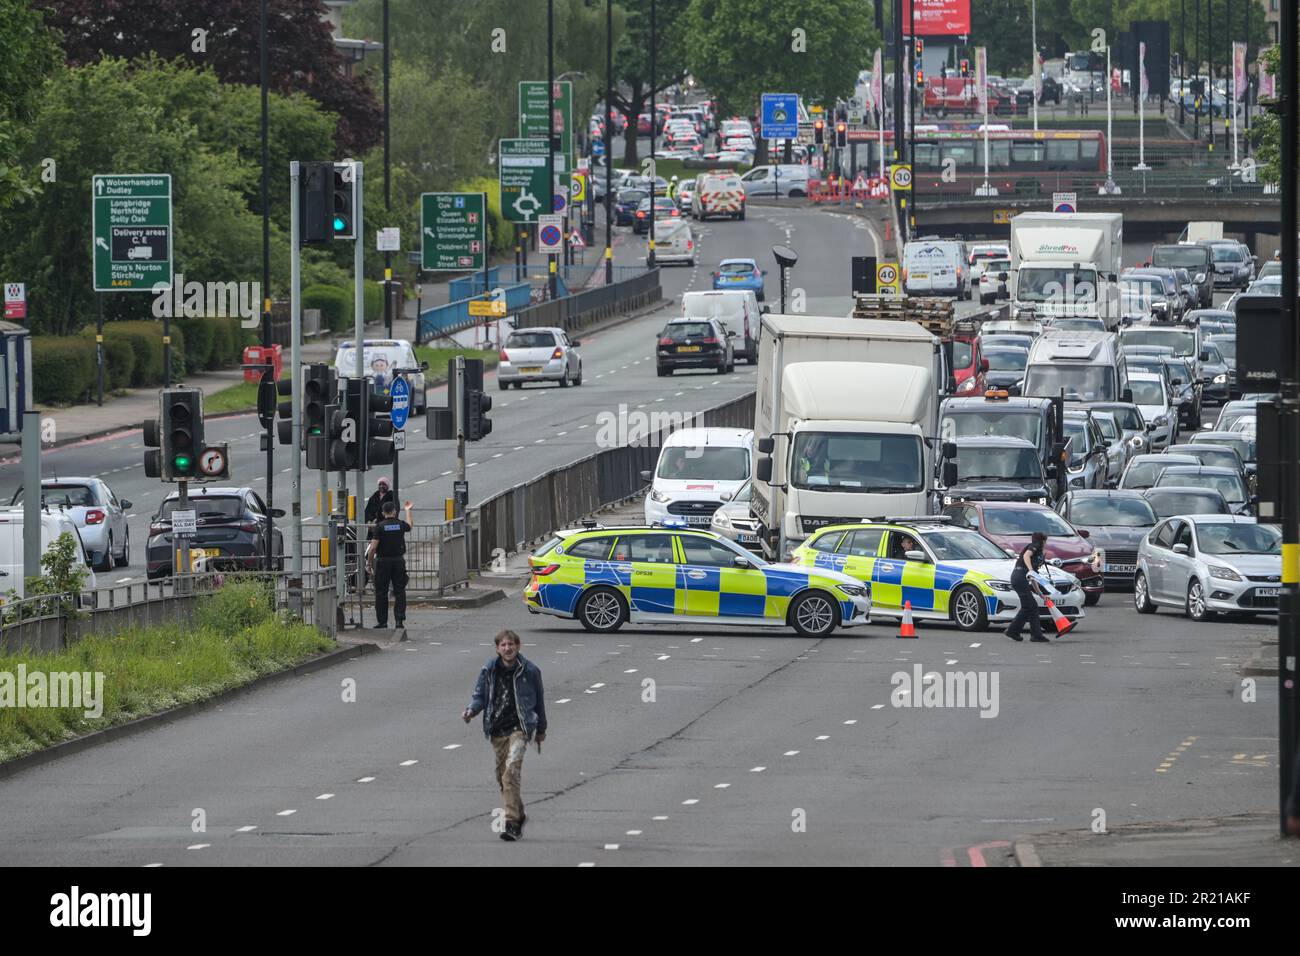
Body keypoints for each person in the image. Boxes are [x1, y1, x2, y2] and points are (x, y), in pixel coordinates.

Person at [462, 630, 548, 842]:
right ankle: (519, 813)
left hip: (520, 728)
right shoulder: (489, 669)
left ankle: (511, 823)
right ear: (497, 648)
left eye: (511, 644)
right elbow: (480, 695)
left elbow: (540, 701)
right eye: (503, 645)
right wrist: (471, 711)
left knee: (511, 773)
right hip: (496, 728)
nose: (508, 648)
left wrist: (541, 729)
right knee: (502, 777)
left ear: (518, 646)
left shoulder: (530, 671)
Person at [365, 499, 413, 629]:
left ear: (383, 512)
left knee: (381, 592)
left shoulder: (379, 527)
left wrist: (369, 563)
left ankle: (382, 622)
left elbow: (373, 548)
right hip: (398, 561)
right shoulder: (400, 524)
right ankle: (399, 620)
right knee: (399, 591)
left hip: (382, 562)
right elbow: (409, 525)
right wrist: (408, 511)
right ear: (395, 512)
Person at [1004, 530, 1050, 643]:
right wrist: (1030, 569)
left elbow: (1033, 578)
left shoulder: (1038, 555)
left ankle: (1034, 634)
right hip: (1020, 577)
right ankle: (1013, 631)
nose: (1045, 544)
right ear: (1043, 540)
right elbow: (1026, 555)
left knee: (1031, 606)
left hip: (1020, 578)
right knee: (1029, 606)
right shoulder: (1035, 546)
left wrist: (1041, 594)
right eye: (1045, 541)